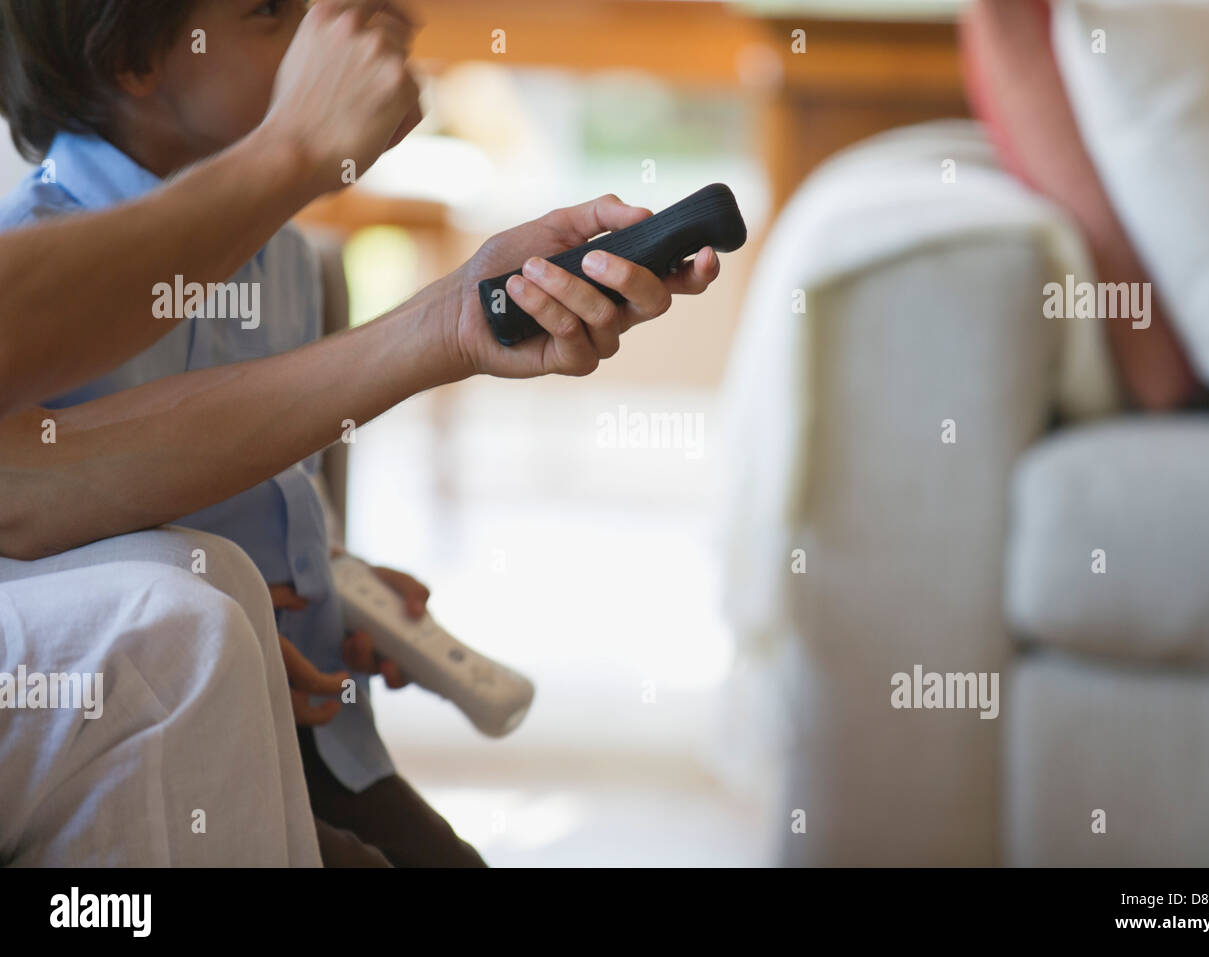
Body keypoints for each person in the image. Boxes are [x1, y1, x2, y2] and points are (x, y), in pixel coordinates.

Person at [0, 0, 719, 865]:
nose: (315, 38)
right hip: (186, 717)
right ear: (134, 64)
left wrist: (330, 577)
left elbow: (261, 476)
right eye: (272, 14)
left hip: (318, 732)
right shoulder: (43, 256)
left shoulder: (287, 260)